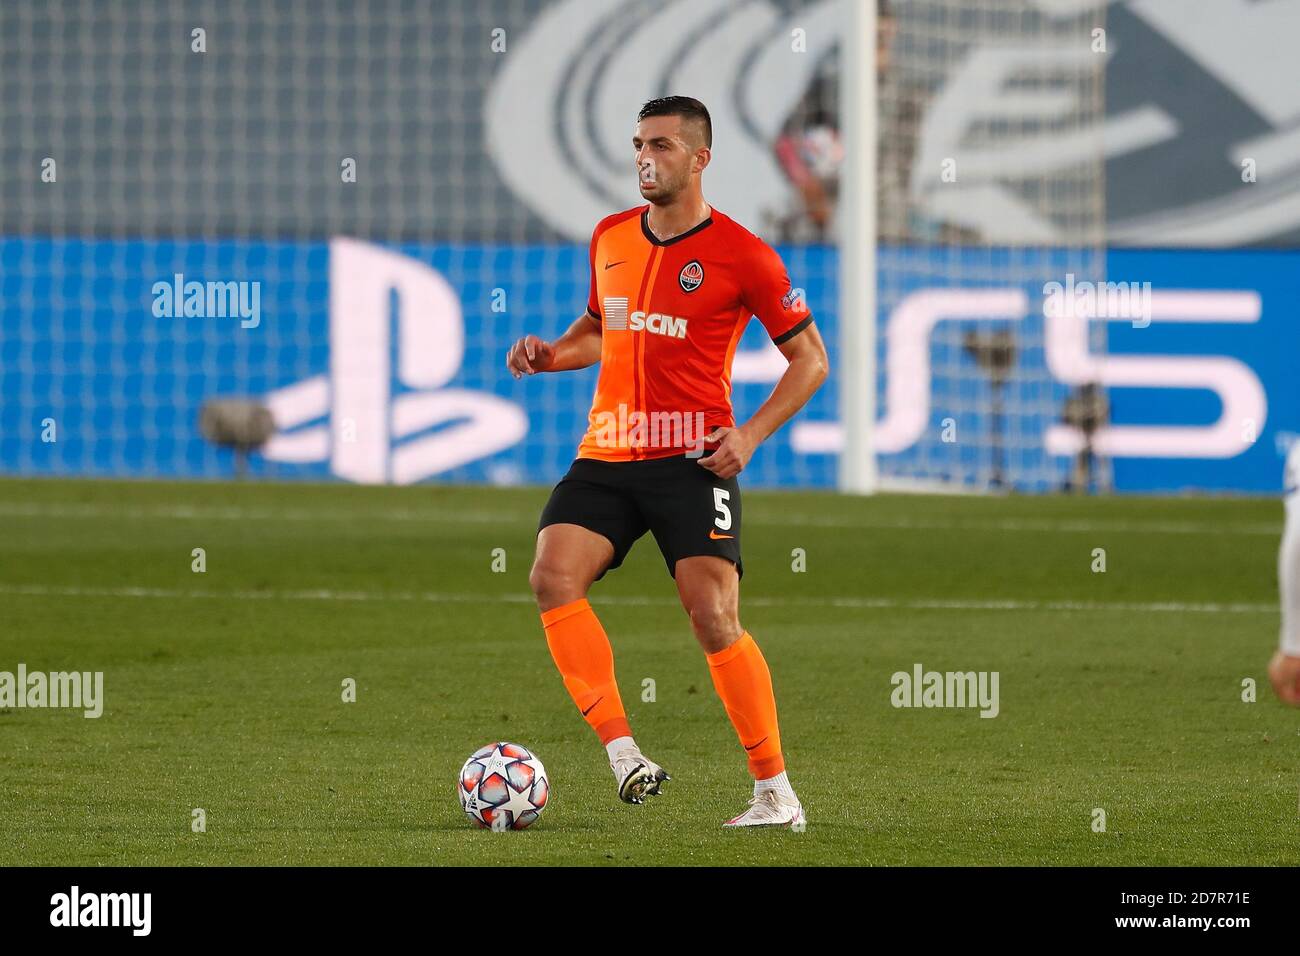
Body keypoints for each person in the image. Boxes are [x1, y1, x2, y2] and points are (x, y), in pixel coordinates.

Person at [506, 96, 828, 827]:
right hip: (609, 451)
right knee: (552, 576)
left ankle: (774, 792)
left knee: (713, 615)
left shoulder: (745, 254)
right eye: (638, 144)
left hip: (693, 457)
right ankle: (625, 756)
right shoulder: (611, 236)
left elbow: (809, 361)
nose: (645, 158)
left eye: (661, 145)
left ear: (700, 158)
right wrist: (551, 354)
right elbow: (602, 330)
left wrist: (748, 436)